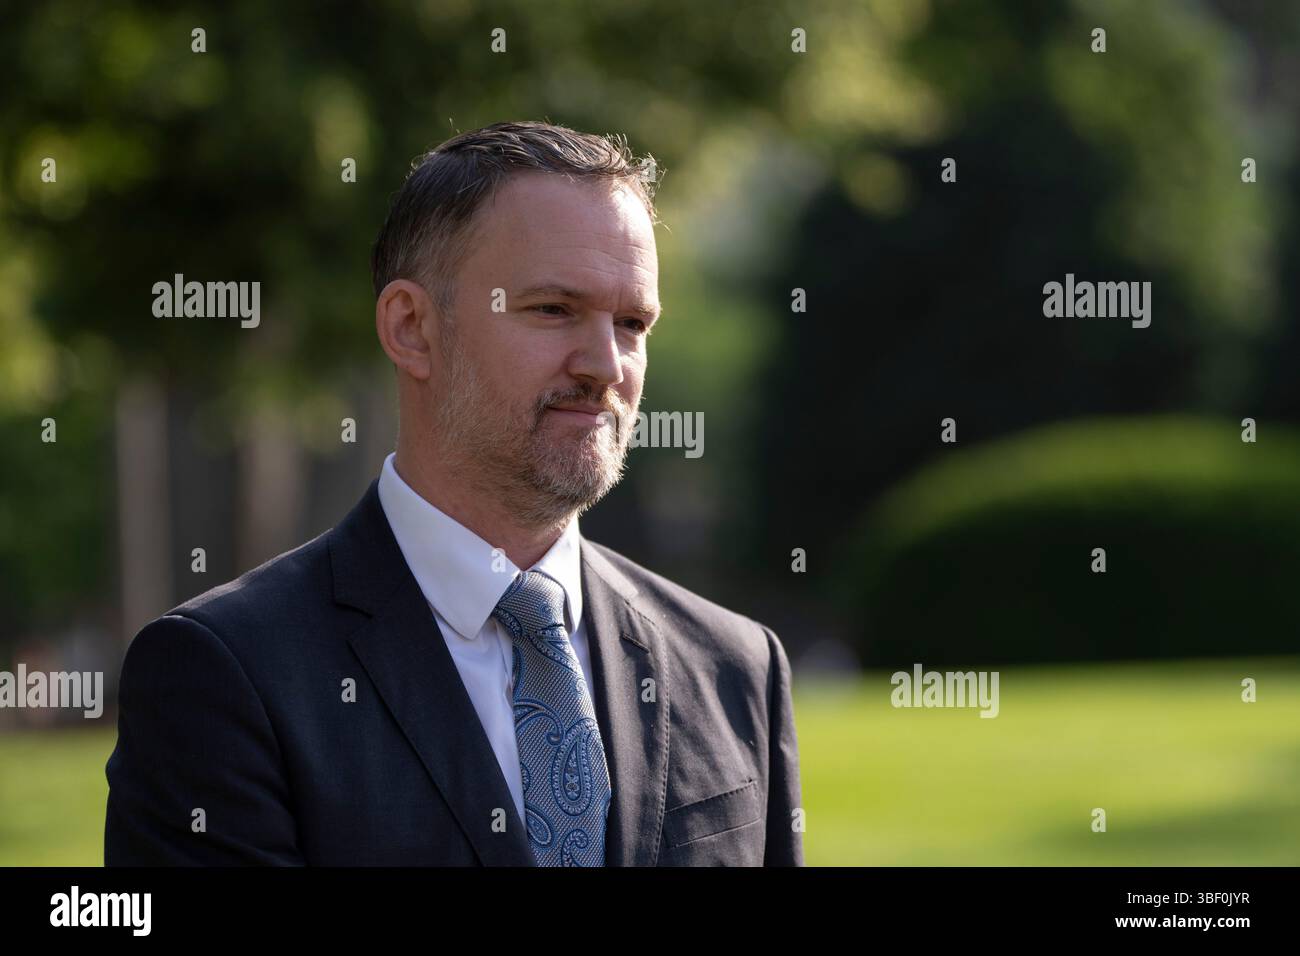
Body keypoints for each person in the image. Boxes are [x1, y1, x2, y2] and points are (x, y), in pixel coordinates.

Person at [104, 120, 803, 866]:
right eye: (553, 309)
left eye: (632, 322)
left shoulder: (736, 667)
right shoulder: (225, 676)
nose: (607, 365)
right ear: (411, 328)